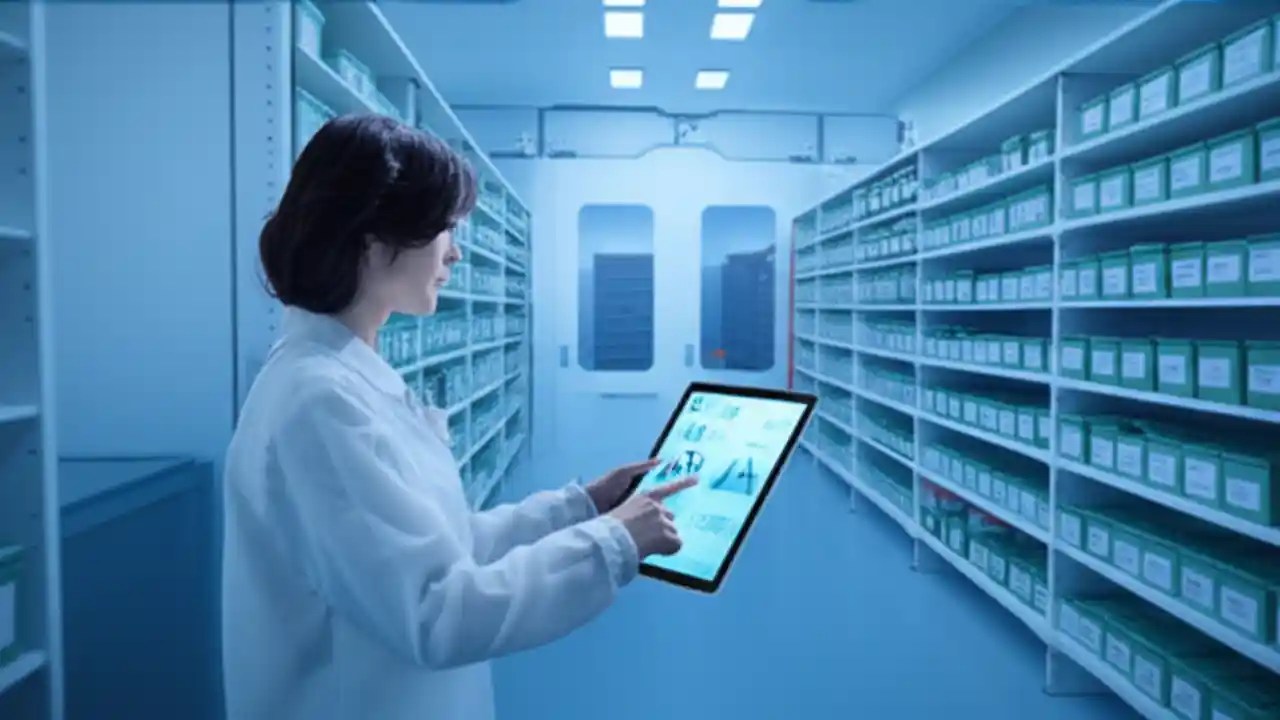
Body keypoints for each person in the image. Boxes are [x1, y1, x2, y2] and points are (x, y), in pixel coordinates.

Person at [221, 114, 698, 720]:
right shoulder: (320, 404)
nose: (456, 252)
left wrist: (581, 506)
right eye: (445, 227)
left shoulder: (345, 377)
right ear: (374, 238)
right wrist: (614, 541)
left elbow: (443, 546)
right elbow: (437, 612)